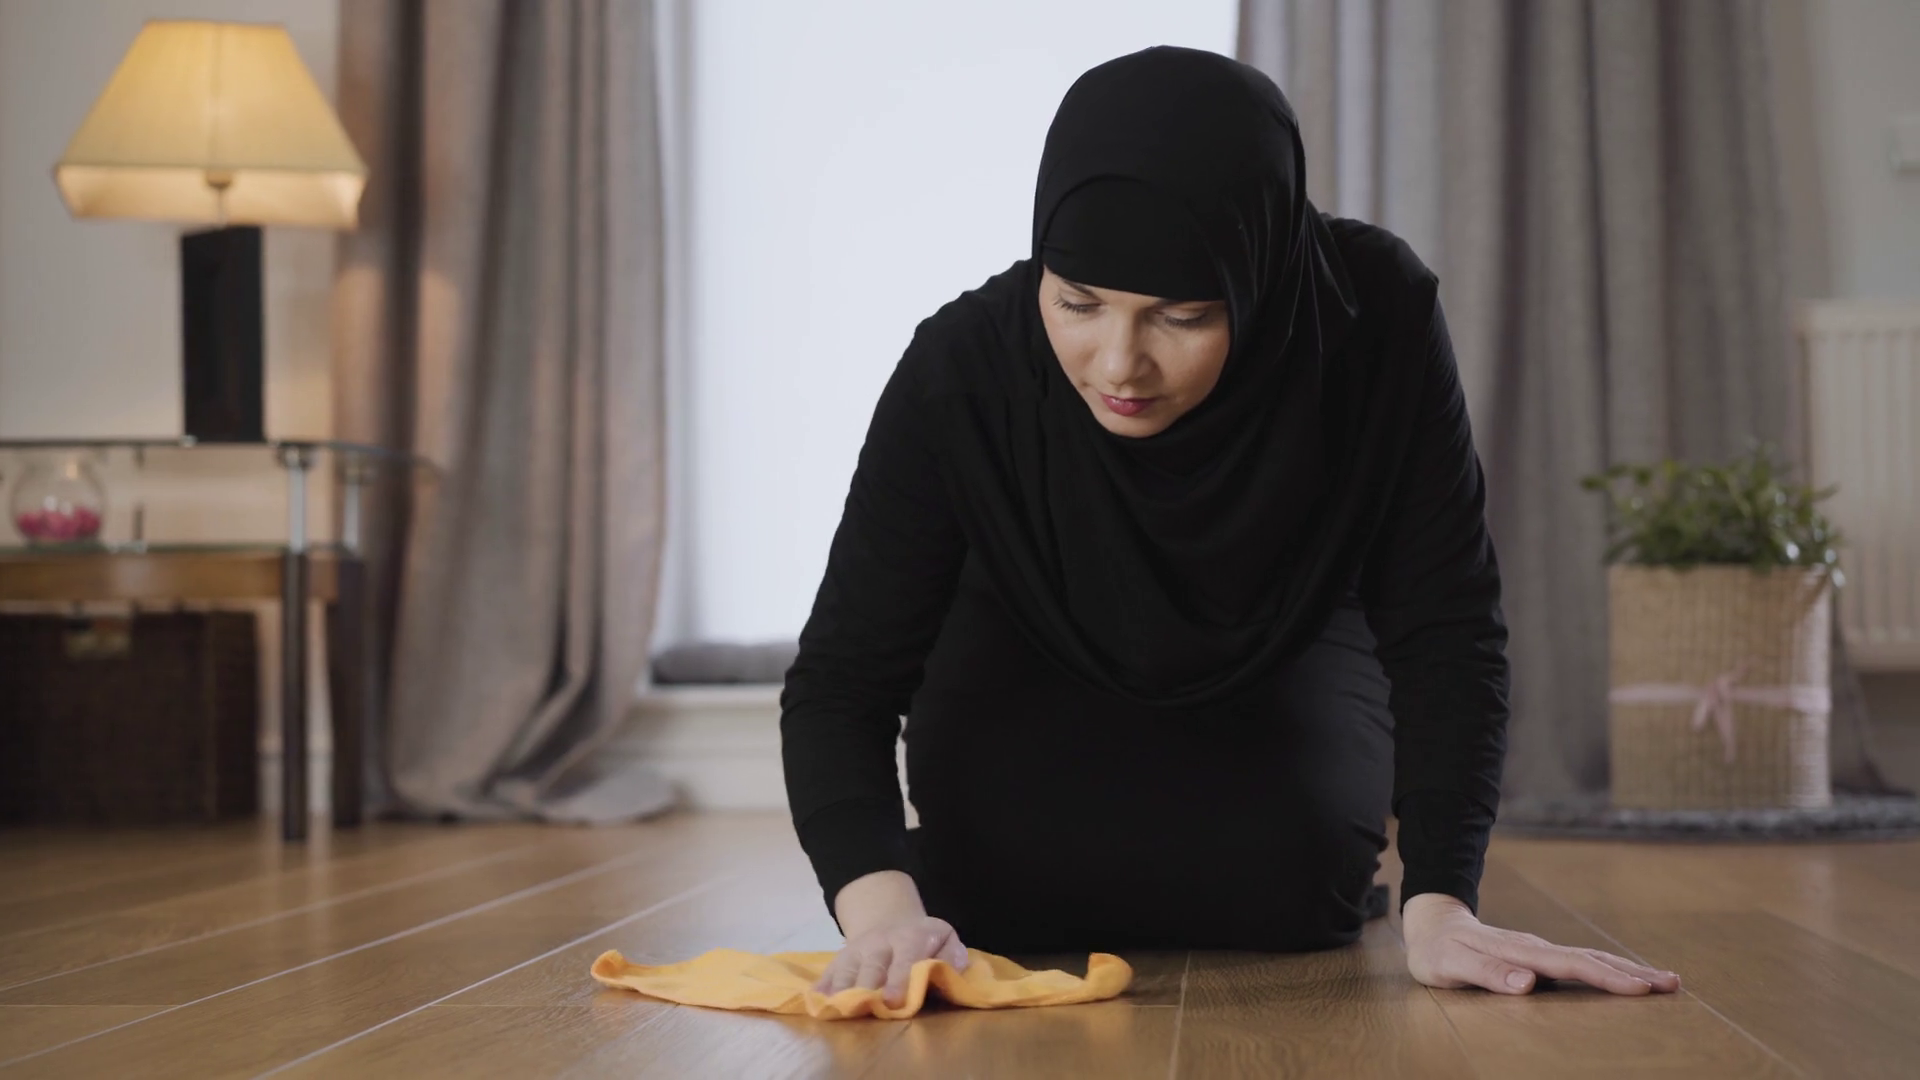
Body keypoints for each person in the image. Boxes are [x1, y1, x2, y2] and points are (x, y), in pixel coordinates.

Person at [780, 46, 1681, 1007]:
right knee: (999, 881)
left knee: (1292, 884)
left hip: (1283, 635)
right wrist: (881, 915)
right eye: (1078, 302)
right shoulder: (961, 365)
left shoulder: (1372, 320)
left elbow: (1446, 631)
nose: (1119, 364)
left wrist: (1442, 905)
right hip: (1019, 639)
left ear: (1259, 276)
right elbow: (842, 680)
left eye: (1181, 316)